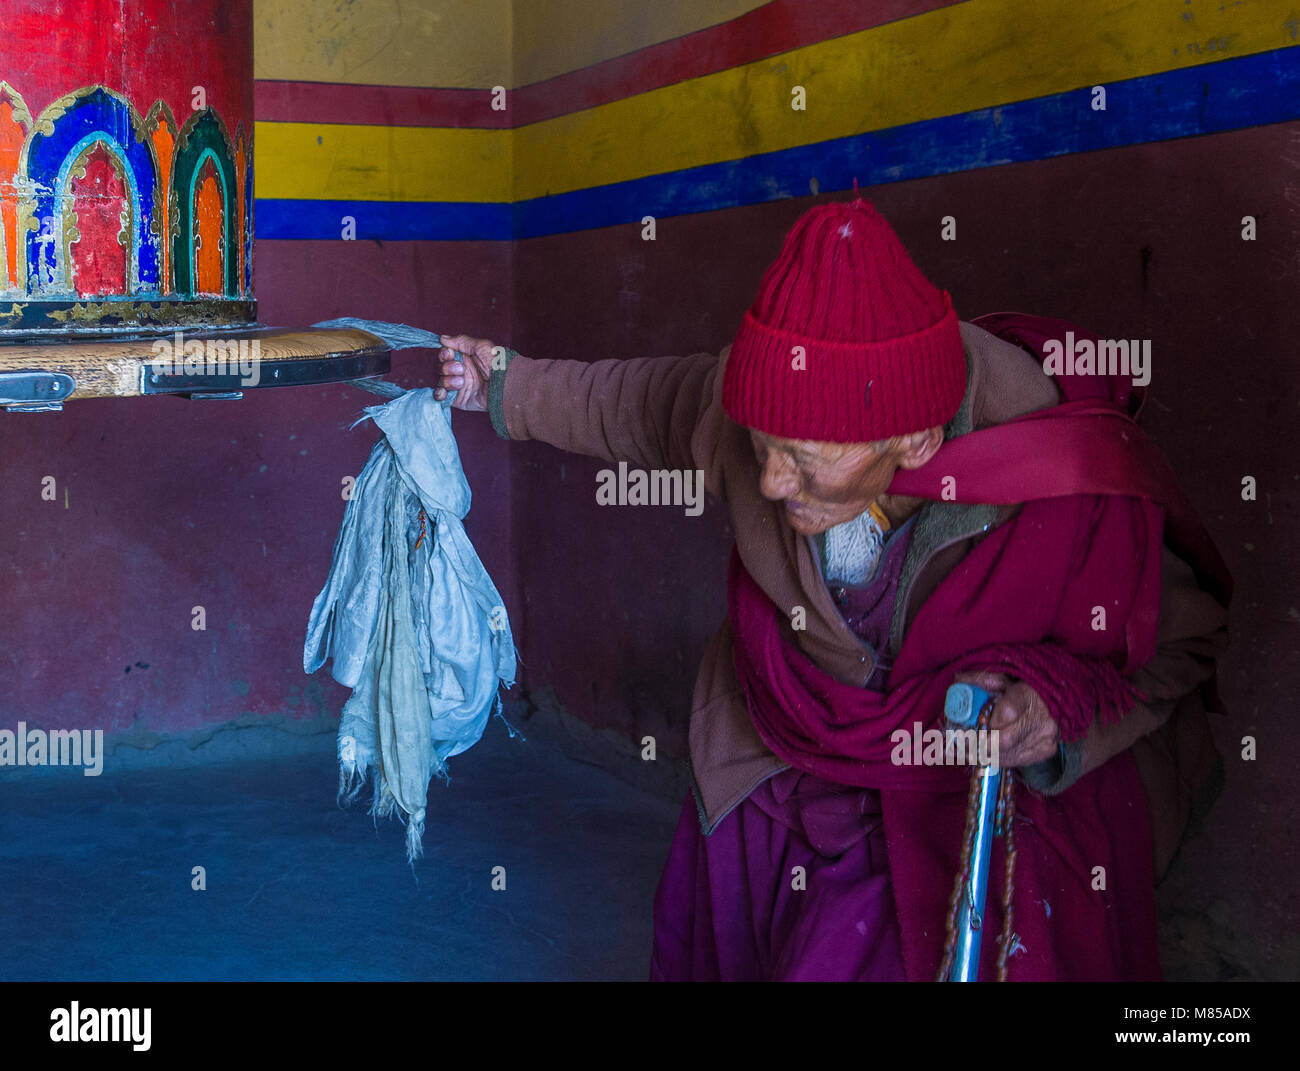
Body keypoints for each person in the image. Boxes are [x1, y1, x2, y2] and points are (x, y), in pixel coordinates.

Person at [434, 197, 1231, 981]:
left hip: (970, 788)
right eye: (761, 446)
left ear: (915, 438)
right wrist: (498, 384)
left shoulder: (1062, 474)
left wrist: (1054, 709)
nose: (773, 481)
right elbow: (639, 405)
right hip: (797, 750)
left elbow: (1181, 643)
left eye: (804, 458)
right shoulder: (758, 409)